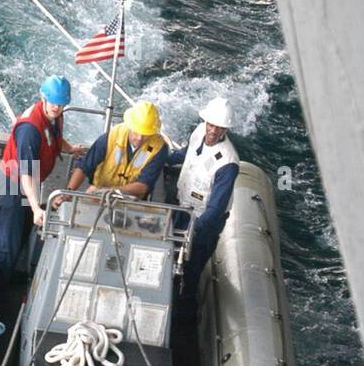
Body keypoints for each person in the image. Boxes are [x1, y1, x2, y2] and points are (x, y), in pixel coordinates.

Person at [0, 75, 82, 301]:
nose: (57, 107)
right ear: (43, 98)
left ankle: (8, 276)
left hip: (29, 184)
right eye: (53, 103)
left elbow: (55, 137)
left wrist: (69, 148)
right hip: (14, 186)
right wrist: (35, 208)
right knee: (6, 245)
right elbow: (25, 175)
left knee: (20, 234)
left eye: (61, 104)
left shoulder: (54, 115)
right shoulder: (30, 128)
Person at [168, 95, 240, 301]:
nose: (213, 131)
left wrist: (194, 230)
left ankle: (184, 313)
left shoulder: (227, 162)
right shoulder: (198, 133)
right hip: (183, 207)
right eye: (211, 125)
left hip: (204, 224)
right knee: (170, 255)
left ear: (226, 130)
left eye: (219, 127)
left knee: (190, 269)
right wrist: (162, 159)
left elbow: (215, 210)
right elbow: (187, 154)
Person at [64, 100, 167, 200]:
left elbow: (143, 185)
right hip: (97, 196)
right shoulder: (112, 136)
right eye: (136, 132)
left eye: (145, 134)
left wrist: (107, 191)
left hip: (131, 200)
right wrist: (68, 193)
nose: (139, 138)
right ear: (130, 126)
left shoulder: (159, 148)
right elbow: (84, 166)